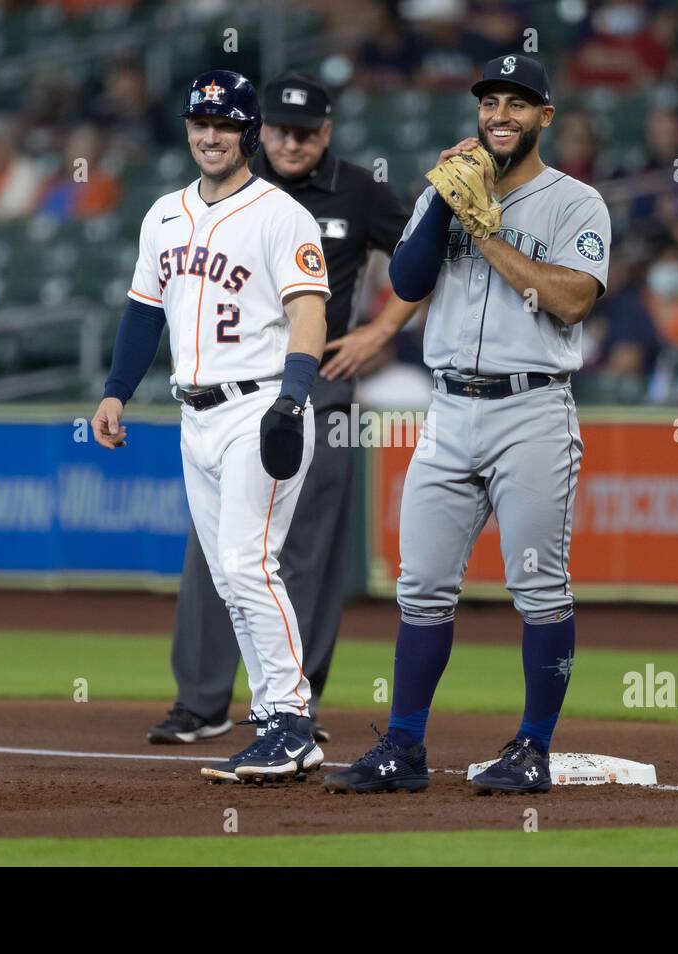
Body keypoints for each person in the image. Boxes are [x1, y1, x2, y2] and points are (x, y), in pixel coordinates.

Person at [326, 54, 609, 795]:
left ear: (545, 117)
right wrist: (451, 203)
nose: (501, 116)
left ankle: (534, 748)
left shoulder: (576, 203)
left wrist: (488, 234)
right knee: (420, 586)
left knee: (539, 587)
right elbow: (409, 282)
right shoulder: (450, 185)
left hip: (532, 406)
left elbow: (572, 299)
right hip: (448, 407)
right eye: (491, 103)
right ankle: (404, 746)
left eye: (519, 104)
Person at [149, 72, 419, 748]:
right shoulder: (226, 189)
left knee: (306, 552)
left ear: (325, 134)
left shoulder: (358, 191)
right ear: (257, 128)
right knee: (220, 552)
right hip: (234, 393)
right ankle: (204, 700)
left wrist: (379, 331)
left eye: (305, 131)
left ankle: (295, 700)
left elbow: (426, 259)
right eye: (279, 129)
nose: (291, 141)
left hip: (320, 386)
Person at [90, 70, 330, 785]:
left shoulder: (279, 213)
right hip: (193, 414)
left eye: (225, 124)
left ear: (248, 131)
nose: (210, 134)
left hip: (260, 404)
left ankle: (291, 720)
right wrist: (115, 392)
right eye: (201, 122)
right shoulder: (163, 214)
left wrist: (293, 396)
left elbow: (310, 311)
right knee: (232, 580)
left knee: (246, 564)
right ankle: (275, 723)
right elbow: (142, 311)